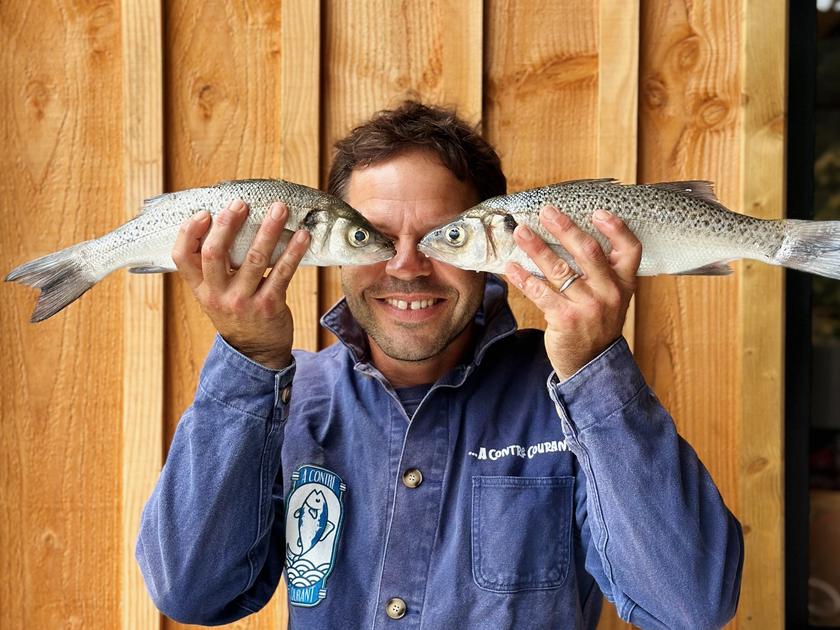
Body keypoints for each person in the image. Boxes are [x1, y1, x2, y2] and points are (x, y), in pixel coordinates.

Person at [136, 101, 743, 629]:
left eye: (441, 237)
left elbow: (688, 605)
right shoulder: (289, 401)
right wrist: (249, 361)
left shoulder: (568, 397)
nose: (407, 266)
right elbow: (194, 591)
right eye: (372, 235)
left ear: (502, 247)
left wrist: (595, 369)